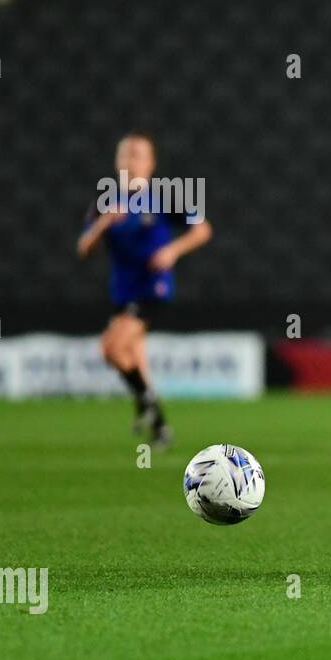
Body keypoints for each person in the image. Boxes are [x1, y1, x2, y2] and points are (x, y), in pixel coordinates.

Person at [77, 132, 211, 448]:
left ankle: (145, 401)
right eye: (125, 154)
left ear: (151, 163)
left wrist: (172, 251)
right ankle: (160, 427)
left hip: (152, 287)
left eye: (138, 155)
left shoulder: (164, 196)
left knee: (111, 348)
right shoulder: (106, 202)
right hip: (122, 291)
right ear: (117, 161)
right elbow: (84, 249)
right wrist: (103, 224)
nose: (131, 161)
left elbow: (202, 229)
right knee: (134, 361)